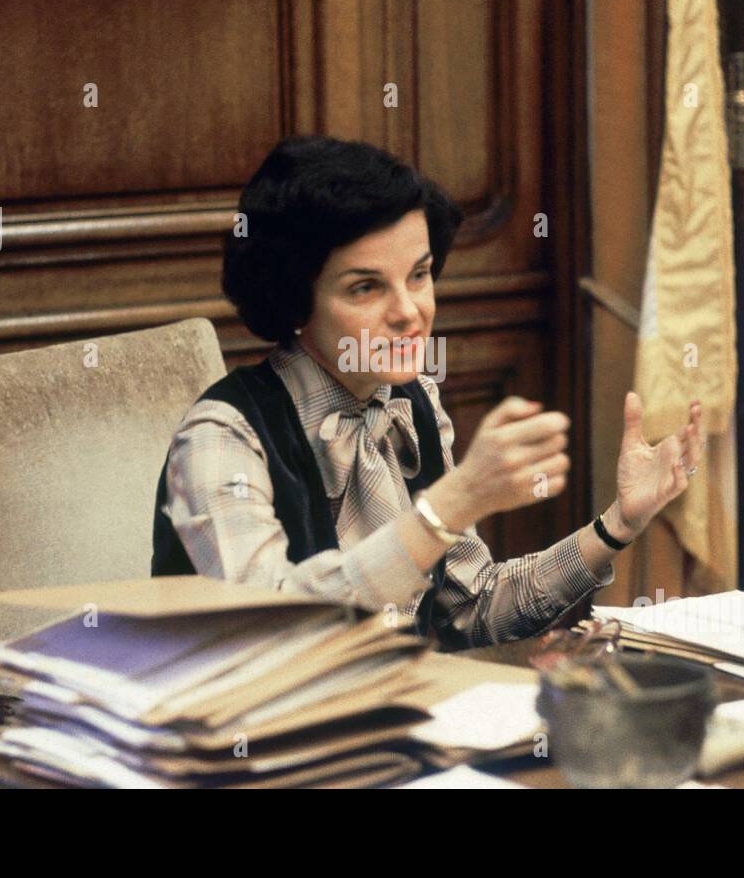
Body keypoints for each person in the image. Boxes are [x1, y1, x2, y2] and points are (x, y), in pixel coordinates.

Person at [152, 135, 703, 650]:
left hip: (396, 719)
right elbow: (277, 631)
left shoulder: (412, 402)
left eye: (419, 275)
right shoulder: (219, 437)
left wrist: (616, 525)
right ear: (295, 300)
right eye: (366, 287)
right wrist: (452, 504)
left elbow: (472, 609)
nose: (409, 312)